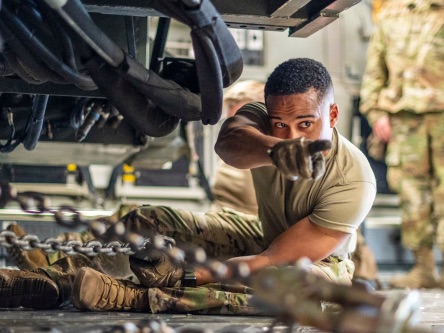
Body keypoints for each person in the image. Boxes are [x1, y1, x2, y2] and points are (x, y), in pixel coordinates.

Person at [0, 58, 376, 313]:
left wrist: (184, 274)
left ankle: (129, 298)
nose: (292, 134)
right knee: (150, 220)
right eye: (280, 124)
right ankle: (46, 275)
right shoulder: (264, 122)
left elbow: (270, 260)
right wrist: (276, 150)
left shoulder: (354, 179)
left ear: (332, 113)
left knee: (288, 284)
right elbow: (229, 143)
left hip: (316, 262)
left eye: (306, 125)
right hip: (262, 233)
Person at [359, 0, 444, 289]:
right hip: (404, 121)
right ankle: (424, 269)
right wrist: (376, 112)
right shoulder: (390, 15)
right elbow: (374, 71)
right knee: (412, 197)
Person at [210, 79, 265, 215]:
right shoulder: (230, 151)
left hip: (247, 228)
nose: (235, 131)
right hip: (219, 219)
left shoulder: (275, 155)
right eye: (231, 121)